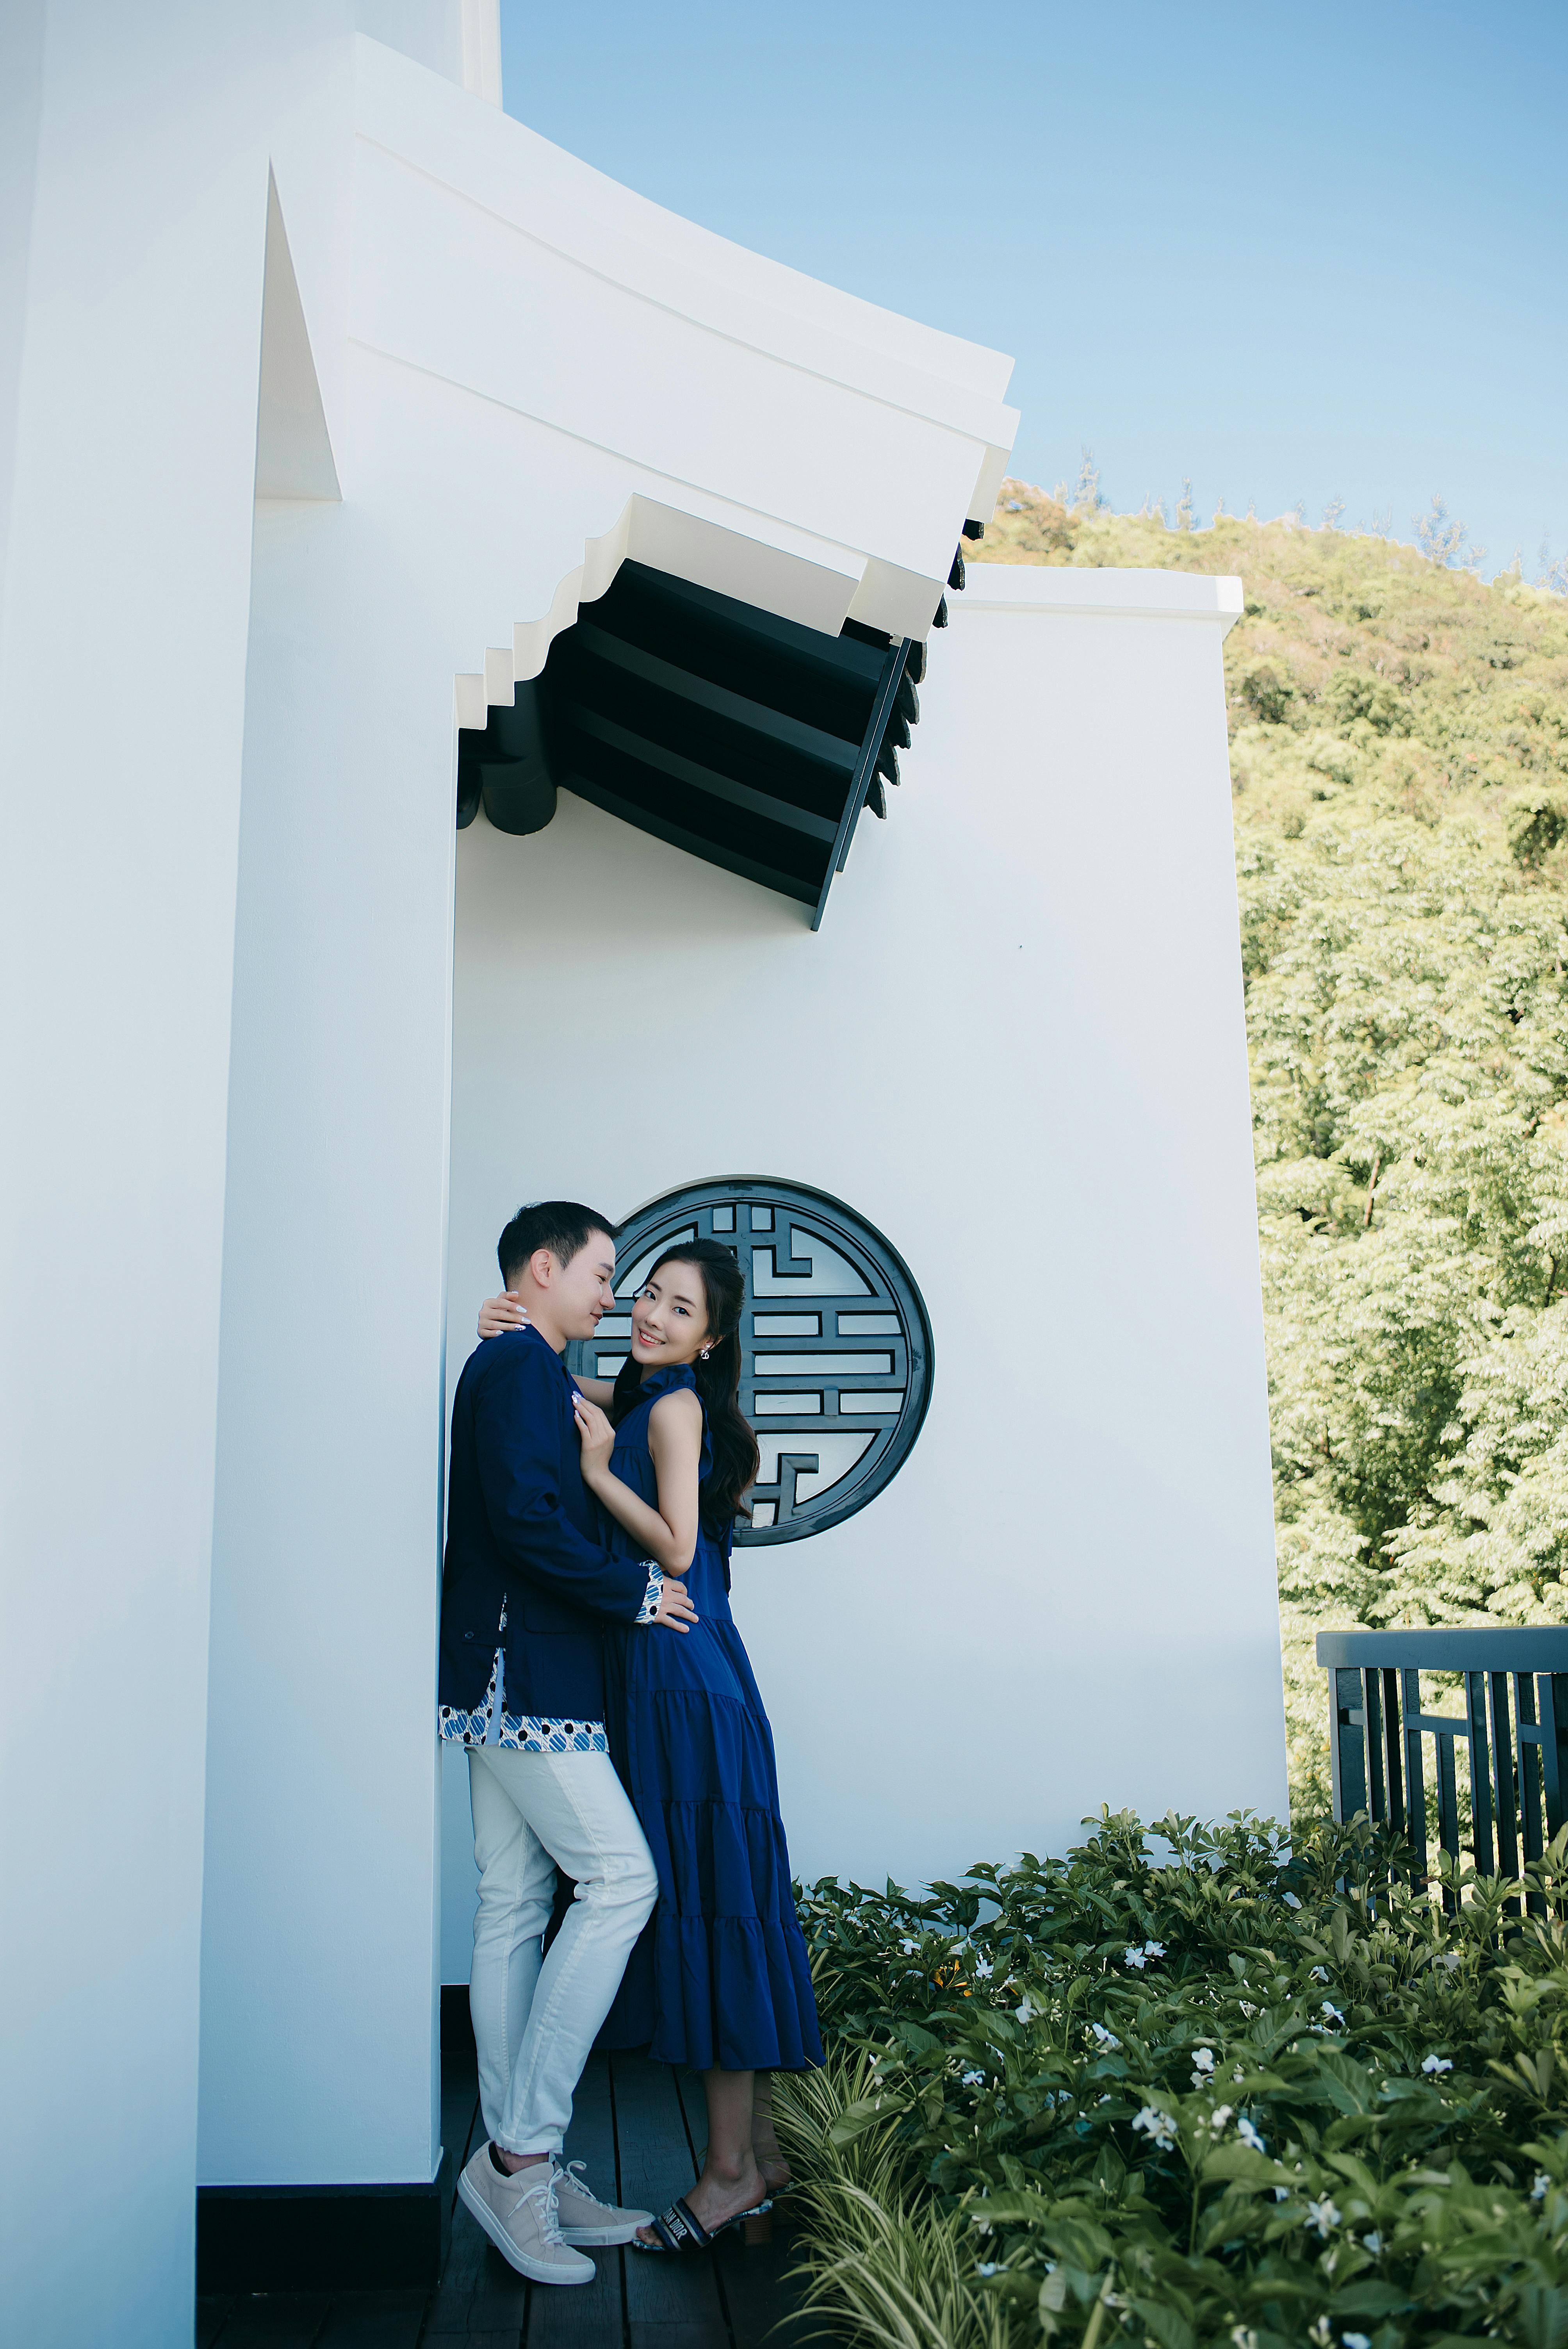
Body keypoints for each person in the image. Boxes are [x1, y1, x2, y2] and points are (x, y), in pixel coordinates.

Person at [476, 1236, 822, 2254]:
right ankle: (755, 2164)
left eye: (682, 1311)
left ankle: (725, 2178)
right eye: (651, 1297)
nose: (655, 1317)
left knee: (717, 1916)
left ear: (712, 1340)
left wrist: (591, 1464)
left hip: (683, 1681)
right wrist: (514, 1328)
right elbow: (575, 1396)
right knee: (725, 1911)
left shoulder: (671, 1410)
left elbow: (673, 1546)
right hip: (680, 1677)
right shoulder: (651, 1402)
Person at [441, 1200, 701, 2288]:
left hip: (503, 1669)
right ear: (542, 1270)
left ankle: (518, 2170)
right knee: (621, 1881)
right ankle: (524, 2154)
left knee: (513, 1904)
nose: (612, 1297)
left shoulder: (531, 1364)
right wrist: (636, 1589)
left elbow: (605, 1431)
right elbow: (523, 1519)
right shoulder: (514, 1368)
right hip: (523, 1663)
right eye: (600, 1276)